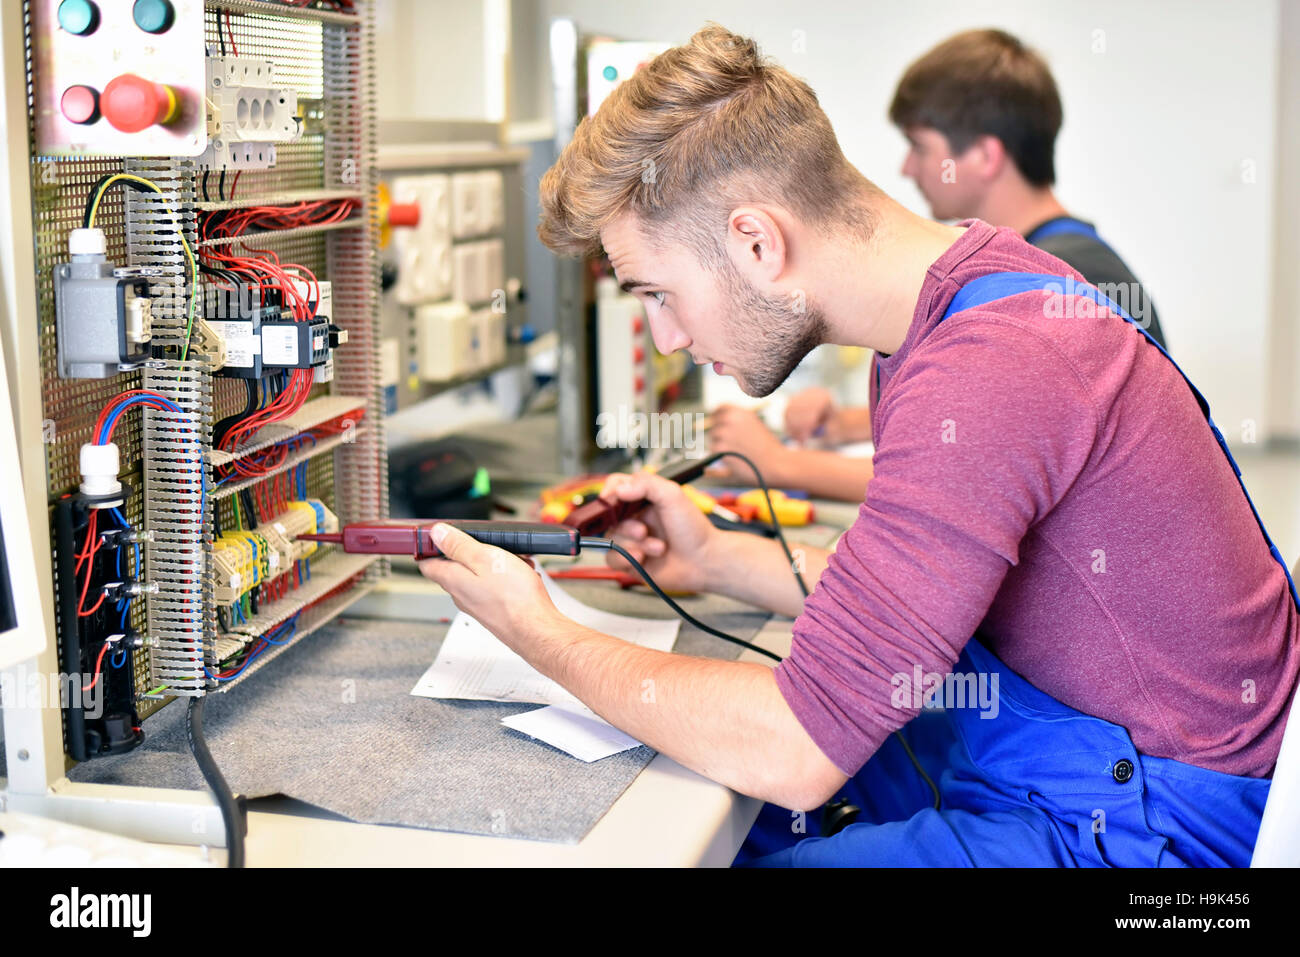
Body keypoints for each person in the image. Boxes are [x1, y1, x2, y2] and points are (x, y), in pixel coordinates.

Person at [419, 25, 1297, 866]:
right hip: (1067, 755)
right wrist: (719, 559)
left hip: (1147, 830)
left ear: (757, 242)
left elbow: (796, 743)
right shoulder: (952, 298)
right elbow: (903, 596)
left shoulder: (992, 365)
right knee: (724, 806)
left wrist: (539, 632)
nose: (667, 339)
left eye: (657, 294)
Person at [710, 28, 1167, 502]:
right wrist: (844, 425)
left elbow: (965, 481)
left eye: (920, 146)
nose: (908, 168)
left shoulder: (1056, 287)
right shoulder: (1053, 260)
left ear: (985, 157)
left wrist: (778, 464)